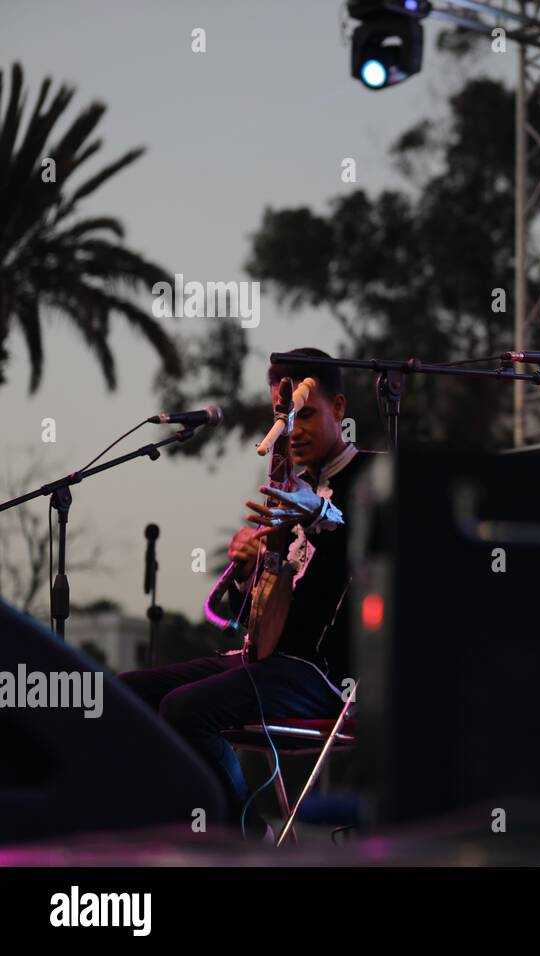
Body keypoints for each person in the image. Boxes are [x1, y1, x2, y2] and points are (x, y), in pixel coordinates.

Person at [119, 348, 367, 839]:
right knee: (126, 695)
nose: (292, 431)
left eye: (306, 415)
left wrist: (317, 516)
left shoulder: (371, 479)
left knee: (186, 710)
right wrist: (246, 568)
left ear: (339, 409)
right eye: (284, 418)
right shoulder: (289, 486)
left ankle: (245, 838)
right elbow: (244, 616)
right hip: (264, 660)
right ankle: (168, 828)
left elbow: (377, 545)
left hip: (325, 675)